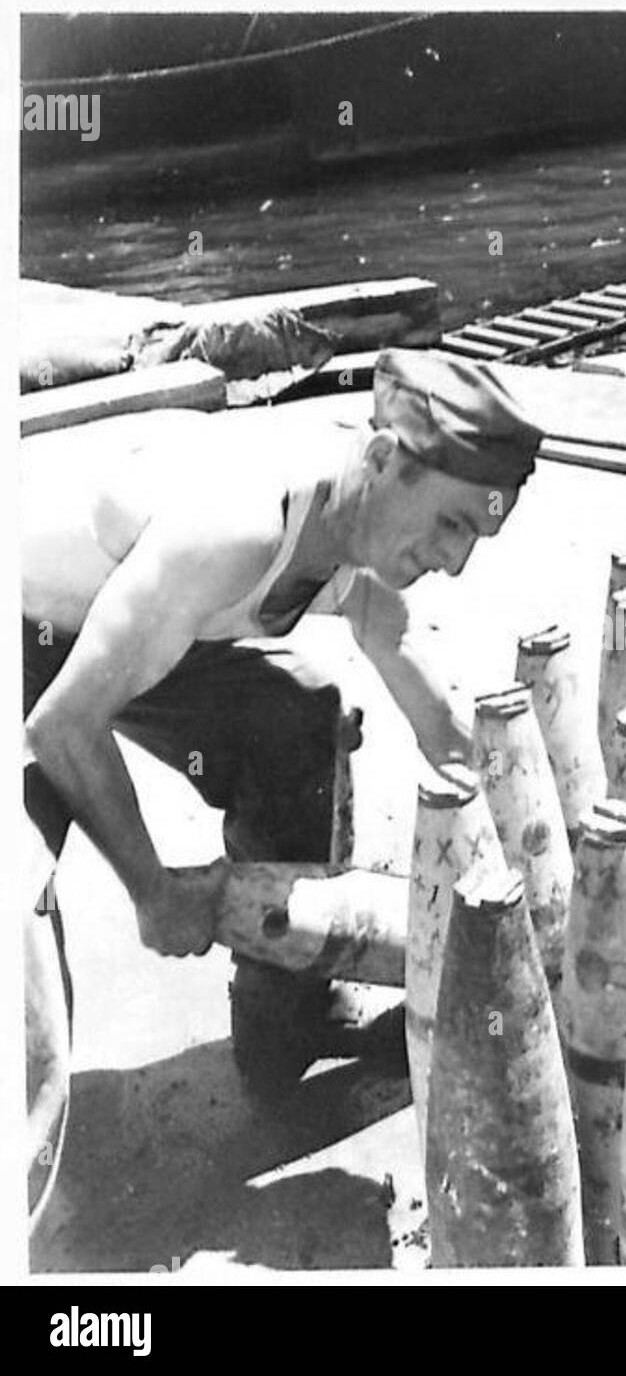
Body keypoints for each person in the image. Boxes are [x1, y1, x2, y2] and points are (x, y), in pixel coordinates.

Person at [22, 349, 544, 1096]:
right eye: (451, 523)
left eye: (474, 538)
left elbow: (402, 655)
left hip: (122, 622)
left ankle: (284, 1018)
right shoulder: (234, 529)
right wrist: (153, 890)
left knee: (296, 719)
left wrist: (517, 812)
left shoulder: (356, 511)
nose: (455, 562)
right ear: (383, 459)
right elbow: (65, 726)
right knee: (19, 914)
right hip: (23, 624)